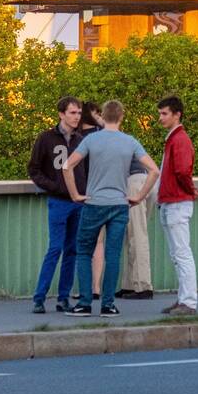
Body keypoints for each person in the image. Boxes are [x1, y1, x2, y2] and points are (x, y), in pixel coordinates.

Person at [63, 99, 159, 315]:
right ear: (121, 117)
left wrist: (75, 194)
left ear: (103, 116)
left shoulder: (91, 140)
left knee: (84, 252)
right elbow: (154, 170)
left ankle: (85, 302)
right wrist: (139, 197)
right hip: (119, 204)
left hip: (94, 203)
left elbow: (67, 166)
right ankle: (108, 305)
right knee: (113, 255)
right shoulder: (130, 141)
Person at [28, 96, 84, 314]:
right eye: (72, 113)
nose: (76, 117)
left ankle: (63, 297)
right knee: (55, 248)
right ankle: (39, 297)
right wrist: (53, 186)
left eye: (79, 113)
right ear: (61, 114)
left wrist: (83, 191)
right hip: (58, 201)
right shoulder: (46, 138)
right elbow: (34, 169)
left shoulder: (81, 140)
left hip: (78, 202)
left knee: (72, 250)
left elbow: (87, 168)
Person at [157, 95, 198, 316]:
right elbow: (182, 172)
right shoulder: (175, 139)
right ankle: (184, 298)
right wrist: (191, 189)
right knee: (178, 254)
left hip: (176, 202)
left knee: (181, 254)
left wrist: (190, 189)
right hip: (172, 201)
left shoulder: (179, 139)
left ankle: (189, 302)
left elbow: (182, 171)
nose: (160, 118)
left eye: (164, 113)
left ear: (177, 115)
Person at [117, 153, 155, 299]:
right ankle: (130, 285)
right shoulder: (130, 142)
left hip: (134, 183)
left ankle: (143, 286)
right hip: (146, 180)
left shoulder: (103, 142)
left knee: (137, 235)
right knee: (133, 234)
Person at [79, 101, 106, 299]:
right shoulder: (103, 136)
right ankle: (96, 287)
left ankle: (86, 289)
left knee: (83, 243)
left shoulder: (78, 138)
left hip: (84, 193)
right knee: (99, 242)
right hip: (103, 191)